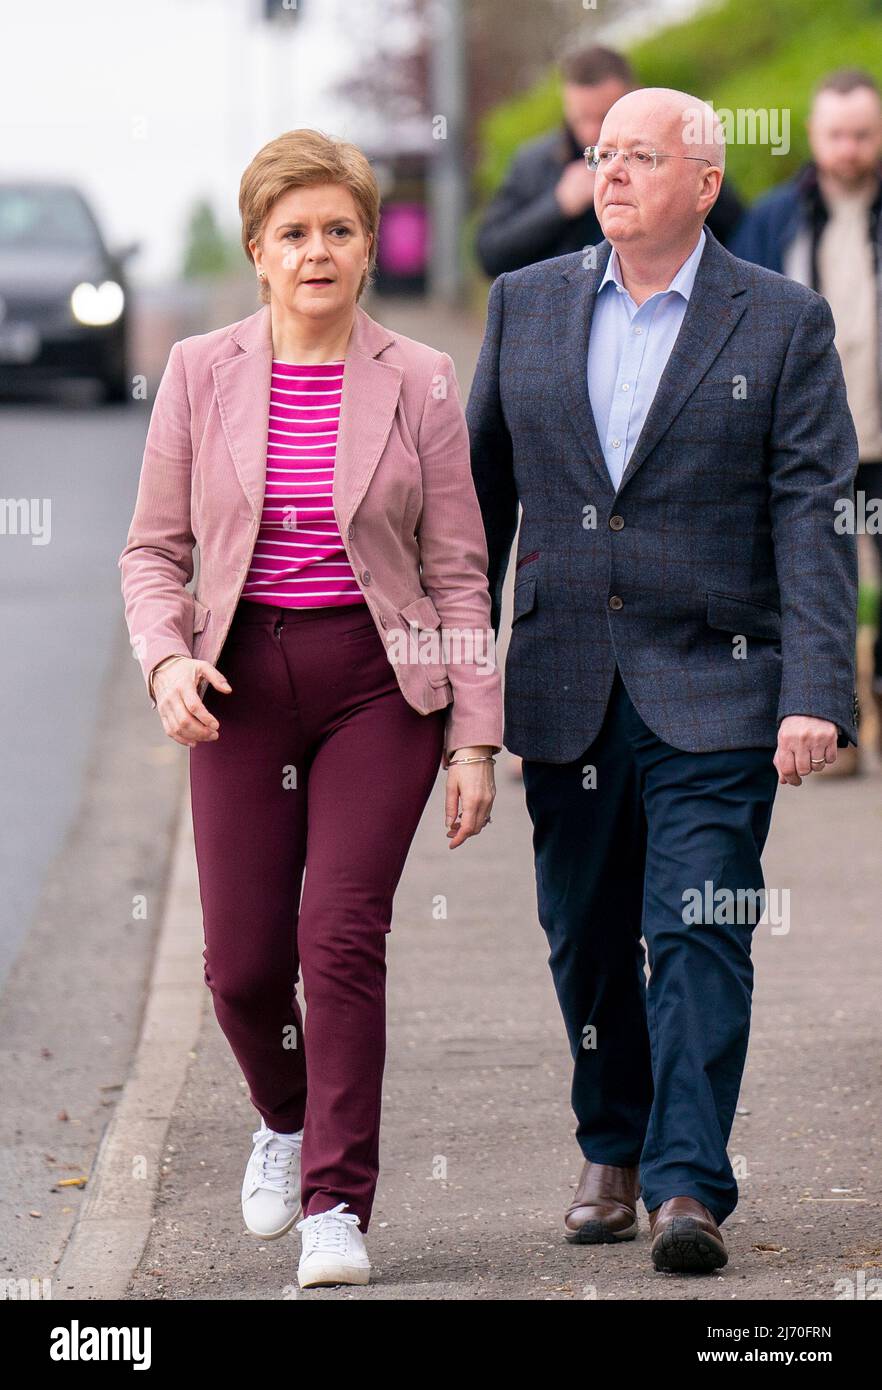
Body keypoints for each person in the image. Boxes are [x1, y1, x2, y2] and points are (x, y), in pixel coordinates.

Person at [467, 88, 858, 1273]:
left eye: (643, 155)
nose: (614, 171)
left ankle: (689, 1181)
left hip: (720, 683)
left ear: (704, 181)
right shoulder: (524, 304)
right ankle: (613, 1145)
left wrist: (816, 685)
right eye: (603, 153)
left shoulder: (782, 321)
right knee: (586, 936)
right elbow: (477, 509)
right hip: (566, 676)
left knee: (696, 928)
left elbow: (812, 514)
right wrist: (455, 692)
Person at [118, 128, 503, 1290]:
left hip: (376, 687)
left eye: (340, 229)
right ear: (258, 251)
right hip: (237, 686)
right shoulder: (198, 371)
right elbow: (153, 552)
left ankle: (338, 1201)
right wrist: (166, 663)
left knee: (337, 935)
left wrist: (475, 736)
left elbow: (458, 571)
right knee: (239, 965)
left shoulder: (421, 378)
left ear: (367, 246)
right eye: (296, 233)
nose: (319, 250)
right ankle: (282, 1121)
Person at [732, 68, 882, 774]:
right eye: (836, 135)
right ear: (814, 136)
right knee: (817, 583)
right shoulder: (772, 219)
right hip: (806, 446)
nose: (849, 149)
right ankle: (836, 729)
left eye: (862, 134)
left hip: (880, 434)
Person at [475, 44, 745, 278]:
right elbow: (490, 254)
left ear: (636, 94)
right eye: (581, 117)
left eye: (604, 114)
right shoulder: (535, 162)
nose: (593, 132)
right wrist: (558, 206)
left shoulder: (677, 156)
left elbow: (737, 233)